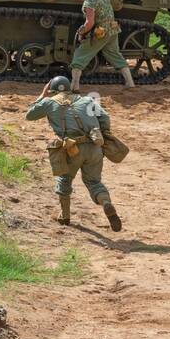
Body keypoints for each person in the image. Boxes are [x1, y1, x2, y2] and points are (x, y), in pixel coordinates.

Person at [26, 75, 122, 231]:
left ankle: (65, 216)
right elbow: (105, 118)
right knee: (94, 183)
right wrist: (102, 135)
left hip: (72, 149)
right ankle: (105, 202)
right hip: (94, 147)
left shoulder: (49, 102)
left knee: (64, 180)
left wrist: (42, 96)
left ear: (52, 90)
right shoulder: (88, 100)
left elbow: (29, 115)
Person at [55, 0, 135, 90]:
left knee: (80, 55)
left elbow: (89, 23)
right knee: (115, 55)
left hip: (101, 32)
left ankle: (74, 86)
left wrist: (81, 33)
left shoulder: (89, 3)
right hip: (112, 29)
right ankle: (130, 83)